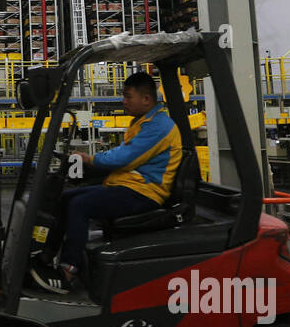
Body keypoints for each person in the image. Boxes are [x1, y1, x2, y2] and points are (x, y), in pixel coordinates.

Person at [30, 70, 182, 295]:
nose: (124, 101)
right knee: (66, 198)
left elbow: (126, 157)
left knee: (80, 205)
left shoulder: (159, 126)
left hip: (145, 192)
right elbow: (126, 154)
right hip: (129, 185)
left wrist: (90, 159)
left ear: (146, 99)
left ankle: (68, 270)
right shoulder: (145, 121)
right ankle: (44, 256)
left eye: (128, 96)